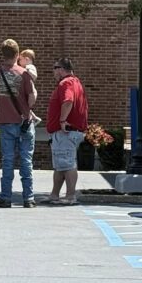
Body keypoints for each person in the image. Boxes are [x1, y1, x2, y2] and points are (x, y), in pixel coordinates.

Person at [0, 39, 37, 208]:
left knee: (8, 160)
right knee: (26, 160)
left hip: (5, 120)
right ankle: (28, 198)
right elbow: (31, 100)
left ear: (3, 54)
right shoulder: (24, 74)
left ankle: (5, 197)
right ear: (18, 55)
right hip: (24, 121)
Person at [46, 57, 88, 205]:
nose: (53, 71)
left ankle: (70, 196)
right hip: (67, 132)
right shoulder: (75, 82)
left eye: (54, 68)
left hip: (65, 132)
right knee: (60, 164)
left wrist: (62, 121)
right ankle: (54, 195)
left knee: (67, 164)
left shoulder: (66, 83)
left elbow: (68, 101)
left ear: (61, 69)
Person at [18, 49, 42, 126]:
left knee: (24, 105)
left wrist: (27, 70)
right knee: (24, 106)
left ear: (26, 59)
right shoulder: (26, 67)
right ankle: (34, 118)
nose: (19, 62)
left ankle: (33, 119)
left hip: (31, 91)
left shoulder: (30, 66)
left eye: (20, 59)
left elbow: (35, 76)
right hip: (28, 91)